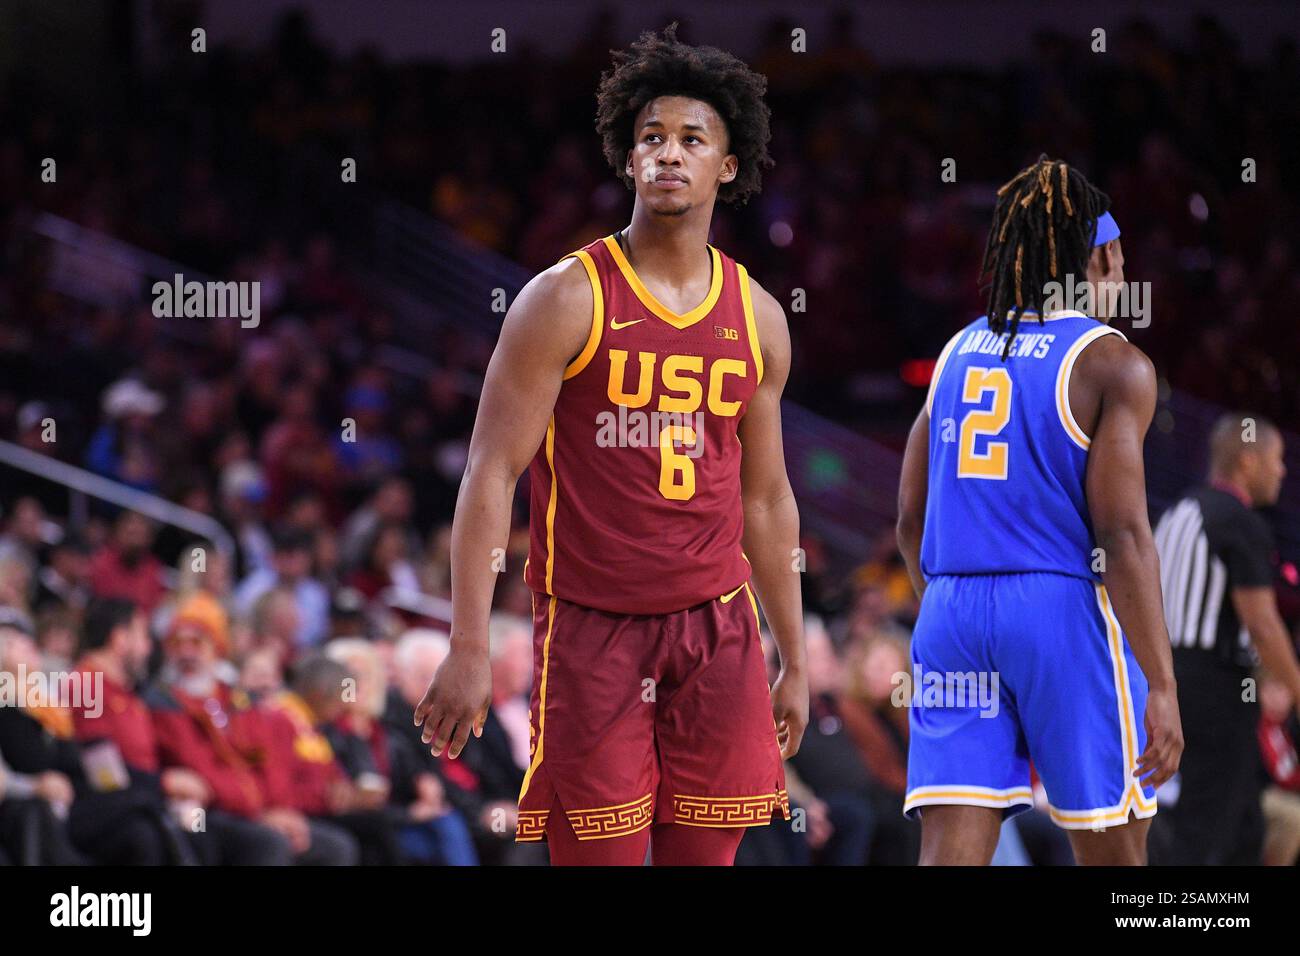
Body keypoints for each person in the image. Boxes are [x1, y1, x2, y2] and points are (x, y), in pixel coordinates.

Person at [413, 23, 807, 867]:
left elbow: (767, 499)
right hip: (591, 628)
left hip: (717, 628)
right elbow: (491, 471)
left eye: (691, 140)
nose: (668, 154)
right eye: (651, 139)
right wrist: (470, 643)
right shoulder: (562, 298)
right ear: (628, 161)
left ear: (726, 167)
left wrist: (795, 657)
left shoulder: (760, 317)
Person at [896, 156, 1182, 865]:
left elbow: (909, 518)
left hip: (952, 611)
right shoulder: (1112, 362)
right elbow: (1122, 536)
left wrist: (960, 606)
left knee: (949, 854)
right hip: (1059, 609)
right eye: (1118, 260)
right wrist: (1164, 683)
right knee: (1113, 848)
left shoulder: (956, 350)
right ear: (1102, 257)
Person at [1150, 413, 1298, 864]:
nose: (1282, 471)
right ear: (1247, 462)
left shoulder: (1177, 512)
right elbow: (1263, 624)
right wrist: (1296, 686)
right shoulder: (1239, 521)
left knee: (1243, 824)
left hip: (1165, 679)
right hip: (1218, 691)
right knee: (1203, 828)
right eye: (1276, 459)